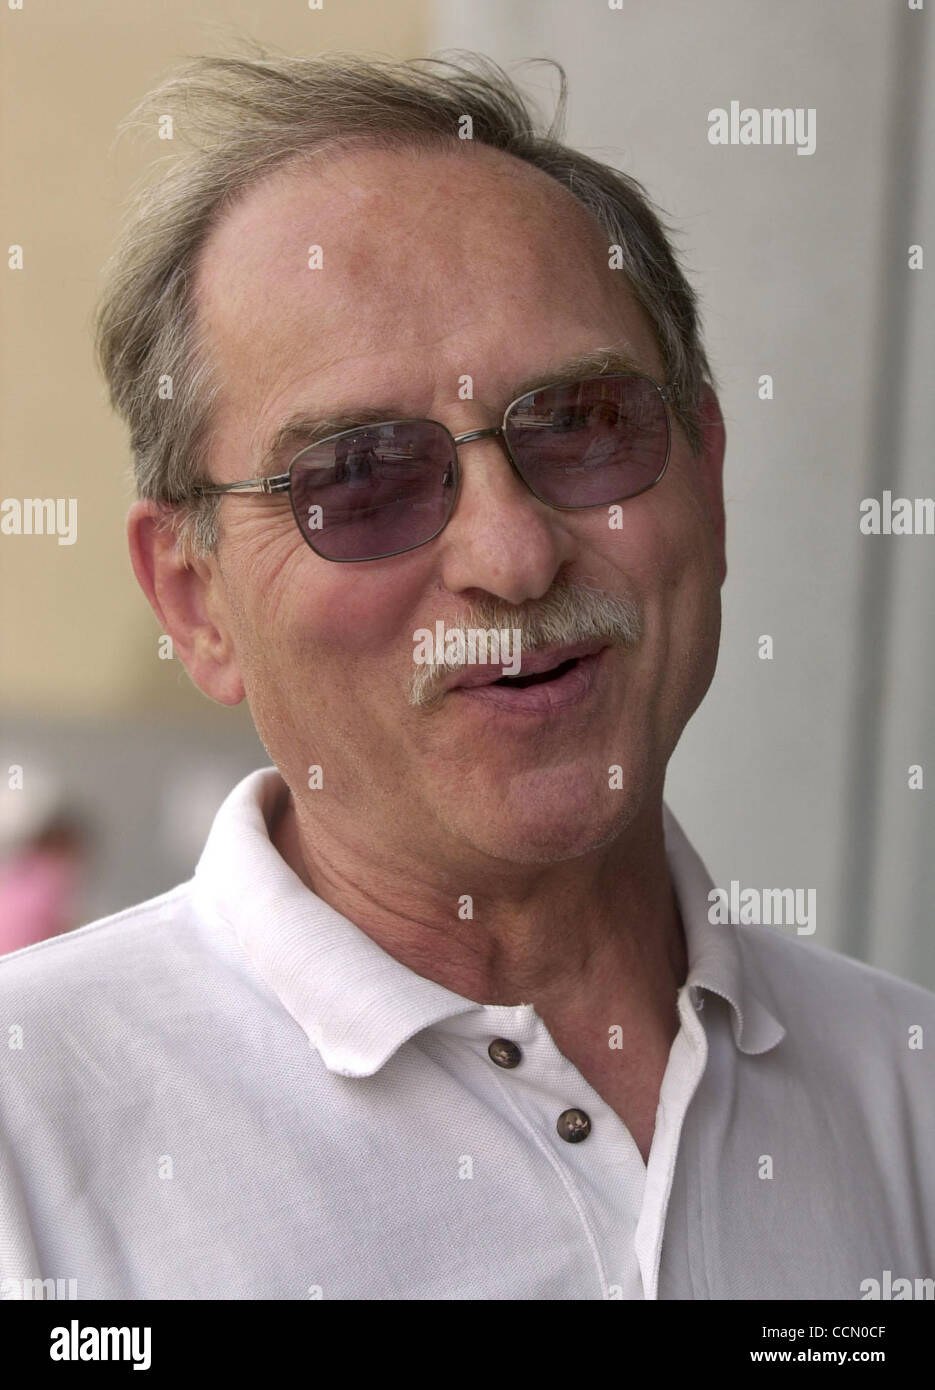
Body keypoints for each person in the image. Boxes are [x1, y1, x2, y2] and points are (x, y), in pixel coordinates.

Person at [0, 48, 932, 1302]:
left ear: (706, 479)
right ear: (193, 599)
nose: (510, 551)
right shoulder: (31, 1138)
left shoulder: (906, 1097)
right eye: (360, 478)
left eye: (584, 424)